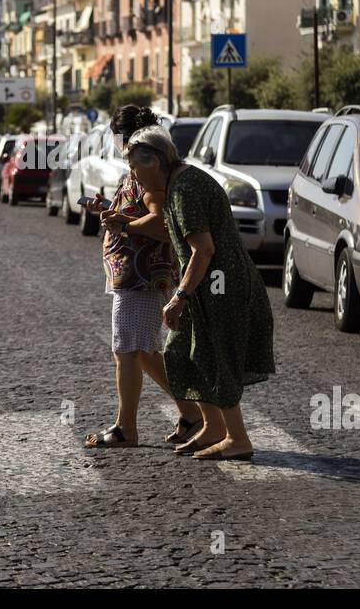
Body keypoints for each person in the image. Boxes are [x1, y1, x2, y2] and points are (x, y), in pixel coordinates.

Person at [104, 124, 274, 461]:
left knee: (215, 355)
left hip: (221, 283)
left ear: (153, 162)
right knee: (180, 351)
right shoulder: (177, 182)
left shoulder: (183, 190)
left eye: (134, 168)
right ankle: (210, 426)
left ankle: (237, 439)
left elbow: (203, 250)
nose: (133, 177)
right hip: (207, 284)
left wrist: (179, 296)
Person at [83, 106, 204, 450]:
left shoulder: (146, 168)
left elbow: (162, 223)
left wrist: (124, 224)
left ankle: (126, 428)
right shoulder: (146, 164)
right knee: (145, 351)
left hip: (142, 276)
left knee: (127, 350)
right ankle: (191, 412)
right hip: (139, 273)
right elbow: (144, 210)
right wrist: (112, 208)